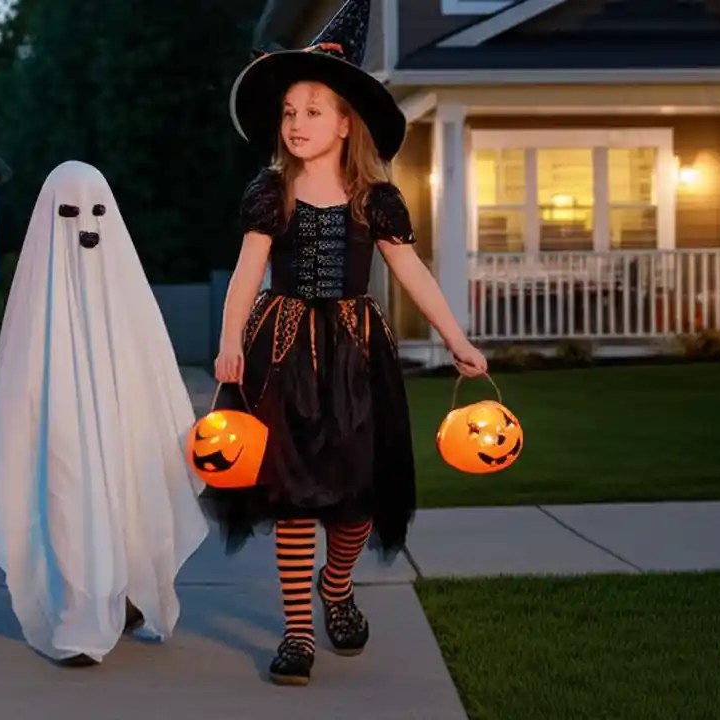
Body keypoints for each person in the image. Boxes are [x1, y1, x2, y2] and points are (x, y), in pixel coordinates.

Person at [203, 0, 487, 686]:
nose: (298, 123)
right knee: (295, 493)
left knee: (357, 494)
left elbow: (411, 269)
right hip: (285, 351)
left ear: (345, 122)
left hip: (358, 354)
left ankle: (338, 585)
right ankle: (298, 630)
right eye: (290, 112)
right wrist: (228, 343)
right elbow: (247, 271)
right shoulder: (272, 193)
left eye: (313, 111)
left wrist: (457, 338)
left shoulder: (375, 198)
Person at [0, 161, 209, 666]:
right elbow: (19, 378)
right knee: (67, 495)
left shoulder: (127, 294)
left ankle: (124, 598)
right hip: (61, 421)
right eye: (71, 213)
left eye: (98, 213)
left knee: (128, 497)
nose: (86, 230)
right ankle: (81, 617)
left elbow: (153, 364)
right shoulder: (37, 303)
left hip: (124, 425)